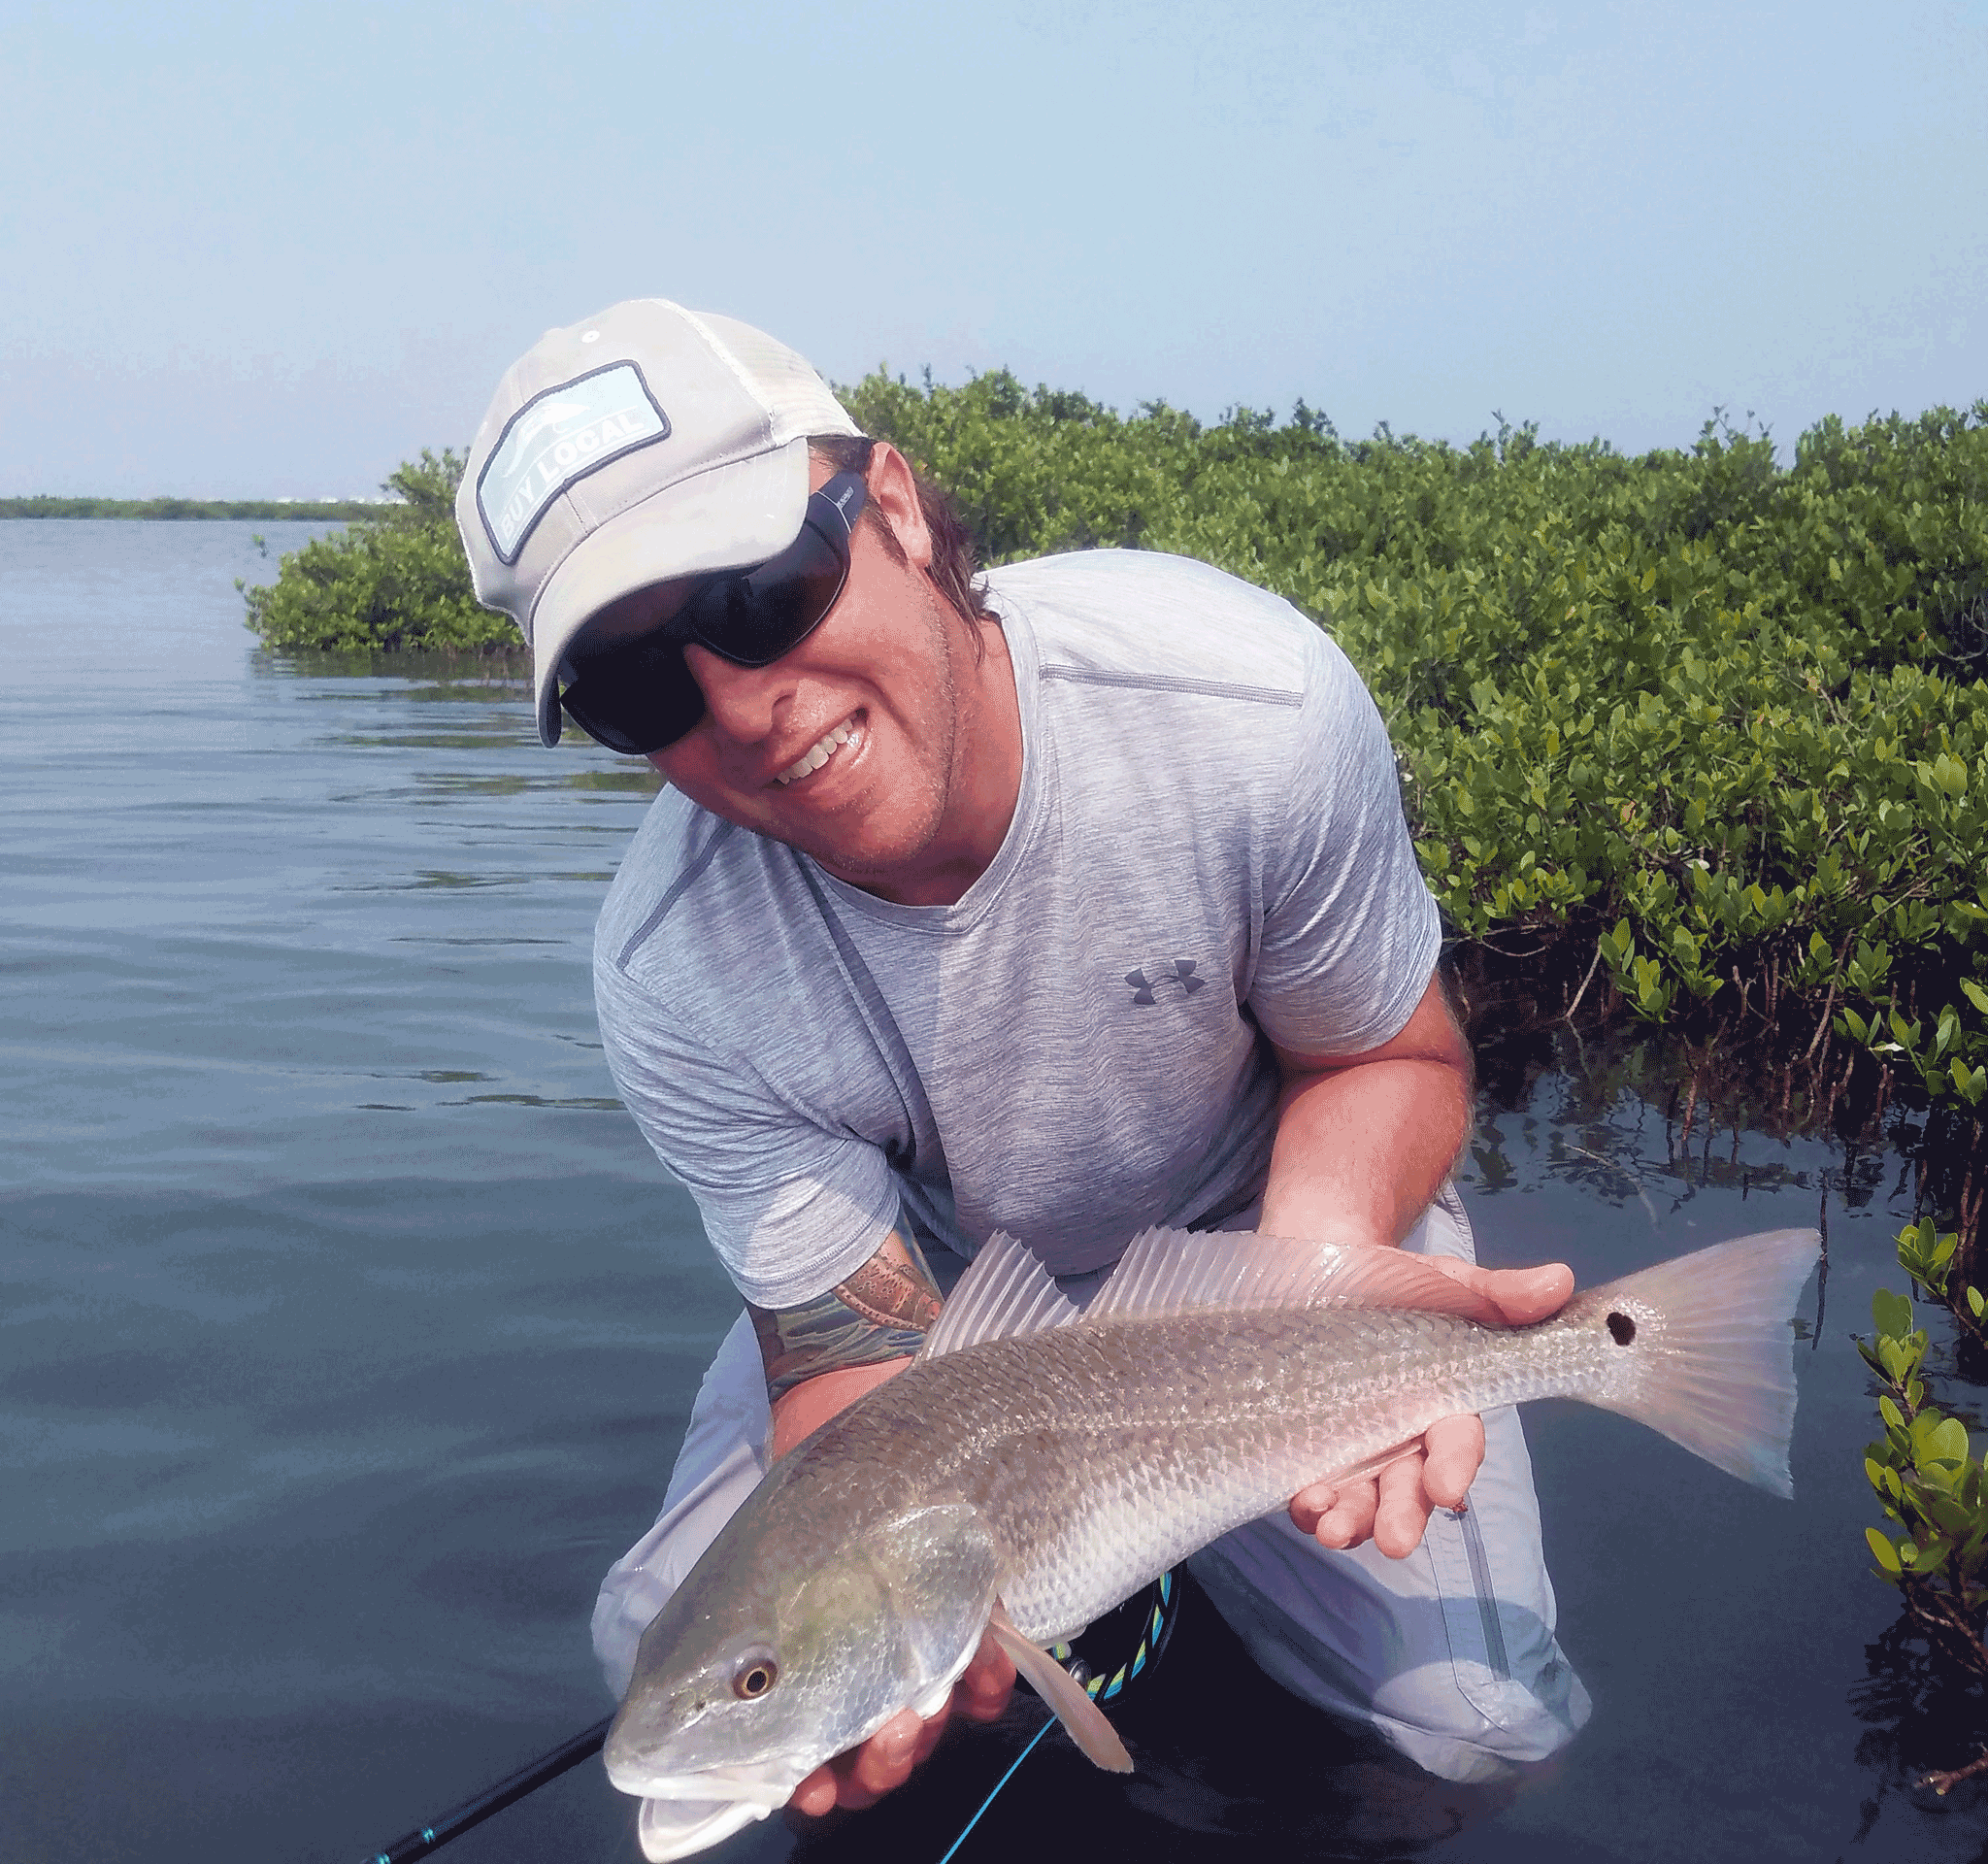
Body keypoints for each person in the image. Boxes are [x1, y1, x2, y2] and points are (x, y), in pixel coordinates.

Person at [452, 297, 1592, 1814]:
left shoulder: (1247, 713)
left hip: (1262, 1228)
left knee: (1481, 1724)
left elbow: (1393, 1055)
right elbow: (853, 1357)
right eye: (637, 688)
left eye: (760, 592)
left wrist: (1311, 1289)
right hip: (932, 1304)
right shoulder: (674, 970)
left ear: (899, 511)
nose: (740, 702)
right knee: (657, 1663)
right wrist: (878, 1625)